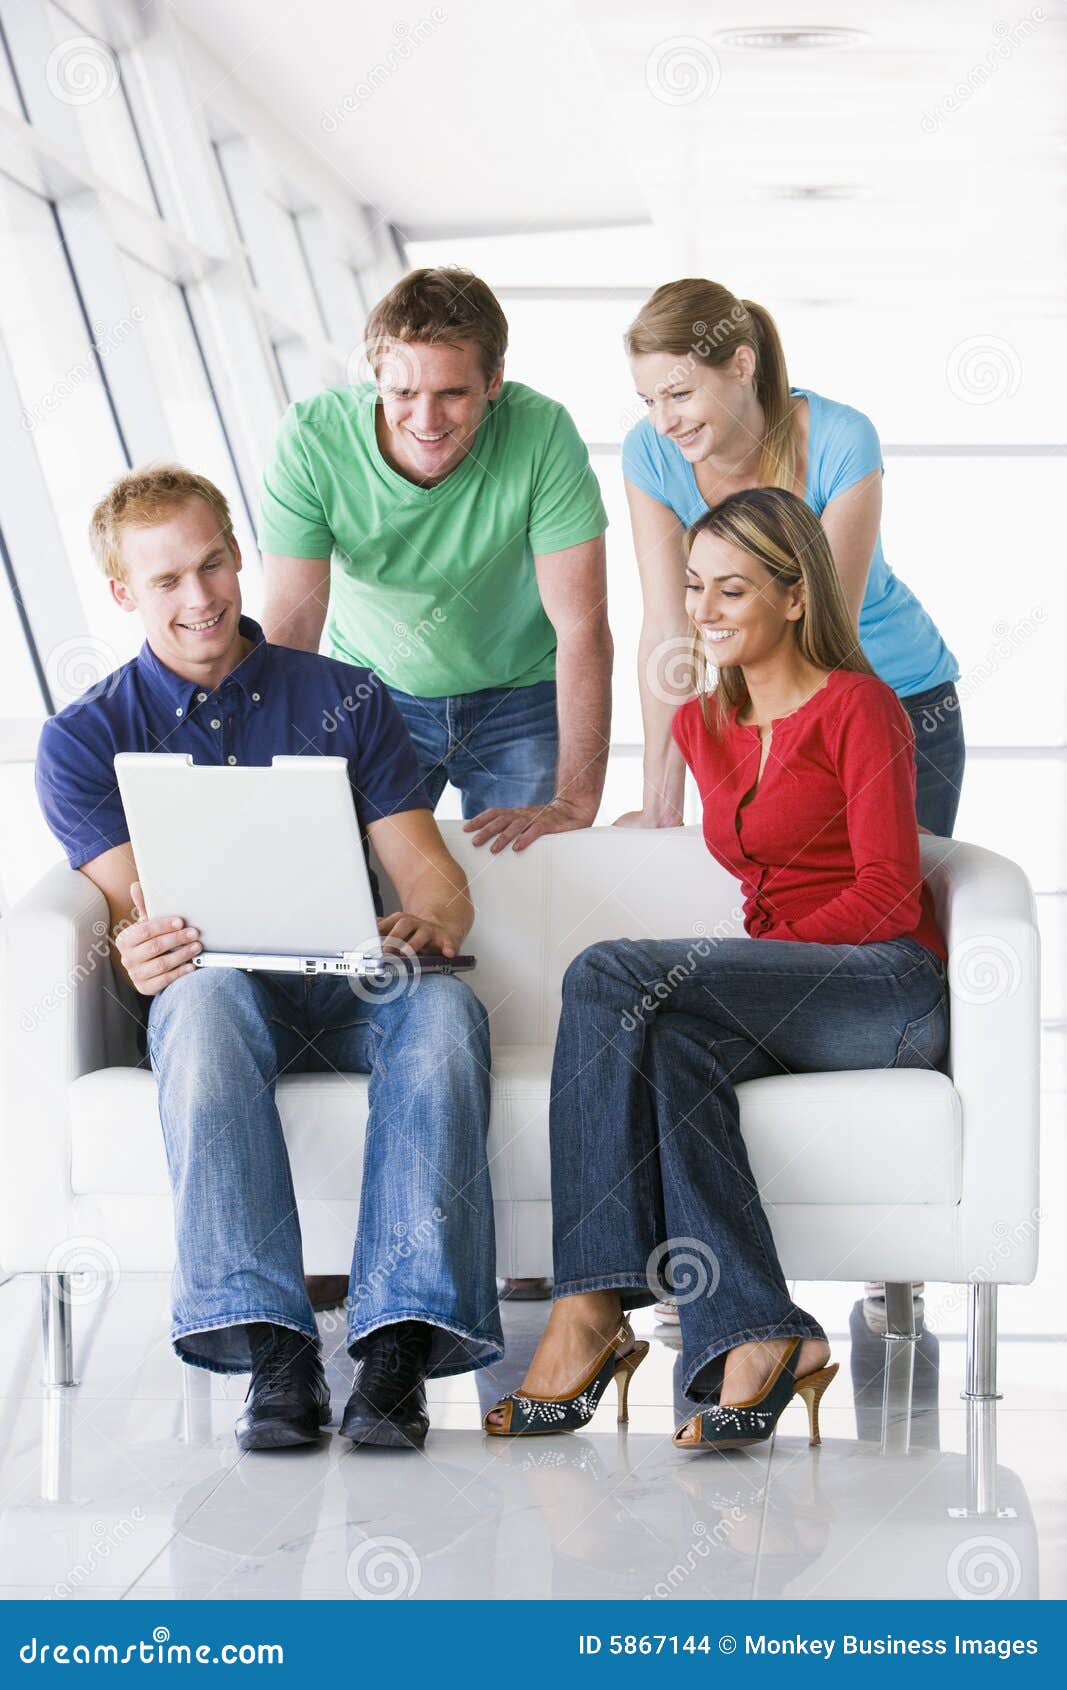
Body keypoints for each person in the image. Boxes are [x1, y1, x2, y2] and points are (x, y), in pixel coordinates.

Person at [35, 465, 503, 1454]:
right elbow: (137, 909)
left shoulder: (346, 698)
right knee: (204, 1006)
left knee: (445, 1010)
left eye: (211, 565)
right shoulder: (84, 739)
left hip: (346, 985)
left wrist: (426, 915)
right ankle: (275, 1346)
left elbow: (434, 875)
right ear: (122, 592)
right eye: (165, 582)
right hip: (217, 995)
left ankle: (395, 1344)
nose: (199, 598)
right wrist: (138, 947)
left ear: (238, 555)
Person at [484, 487, 949, 1450]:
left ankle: (590, 1306)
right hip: (784, 993)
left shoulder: (858, 709)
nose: (703, 611)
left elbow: (887, 896)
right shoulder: (704, 726)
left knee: (609, 974)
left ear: (792, 597)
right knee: (675, 1052)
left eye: (731, 590)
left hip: (883, 989)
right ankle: (760, 1334)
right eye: (695, 587)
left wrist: (743, 965)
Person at [258, 265, 612, 857]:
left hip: (517, 695)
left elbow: (582, 629)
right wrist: (266, 780)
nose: (426, 422)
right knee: (352, 879)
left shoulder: (543, 432)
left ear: (494, 380)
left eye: (452, 393)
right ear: (376, 378)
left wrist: (576, 801)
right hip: (372, 692)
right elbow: (291, 629)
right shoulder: (311, 439)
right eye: (402, 393)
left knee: (529, 884)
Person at [615, 279, 963, 840]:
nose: (663, 422)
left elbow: (829, 634)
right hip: (765, 712)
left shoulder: (842, 439)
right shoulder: (650, 453)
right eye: (649, 401)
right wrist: (661, 799)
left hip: (897, 704)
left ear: (742, 365)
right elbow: (668, 628)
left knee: (892, 914)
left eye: (680, 395)